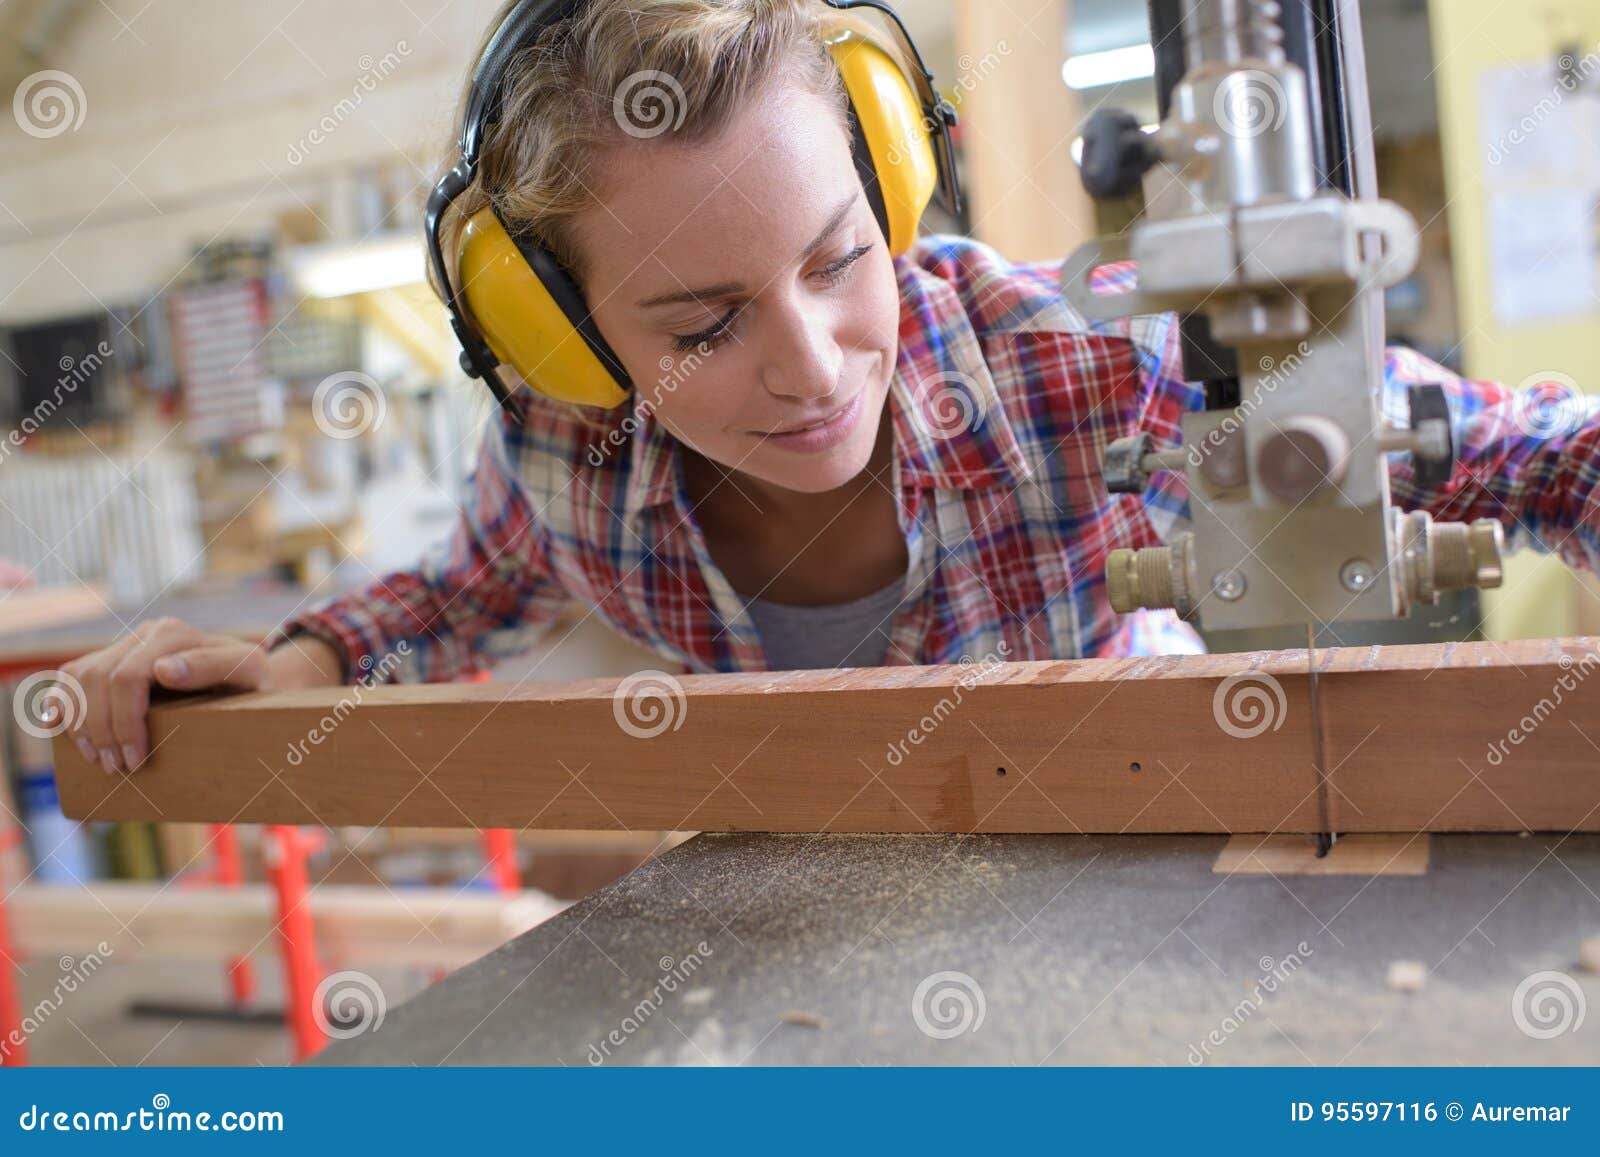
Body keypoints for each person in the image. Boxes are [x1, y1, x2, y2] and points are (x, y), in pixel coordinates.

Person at [59, 0, 1598, 776]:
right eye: (704, 324)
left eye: (839, 259)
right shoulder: (572, 454)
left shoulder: (1075, 365)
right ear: (568, 340)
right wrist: (298, 666)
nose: (813, 370)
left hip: (1147, 851)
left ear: (894, 186)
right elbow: (470, 591)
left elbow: (1539, 458)